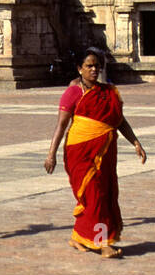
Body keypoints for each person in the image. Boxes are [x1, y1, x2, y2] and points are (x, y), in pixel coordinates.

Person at [44, 50, 146, 258]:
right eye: (89, 66)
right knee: (94, 195)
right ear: (79, 69)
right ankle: (102, 243)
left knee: (105, 194)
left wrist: (136, 142)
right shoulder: (73, 93)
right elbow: (61, 125)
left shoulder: (108, 92)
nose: (93, 69)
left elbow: (119, 121)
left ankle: (79, 236)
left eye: (96, 66)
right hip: (80, 152)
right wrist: (51, 154)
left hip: (106, 152)